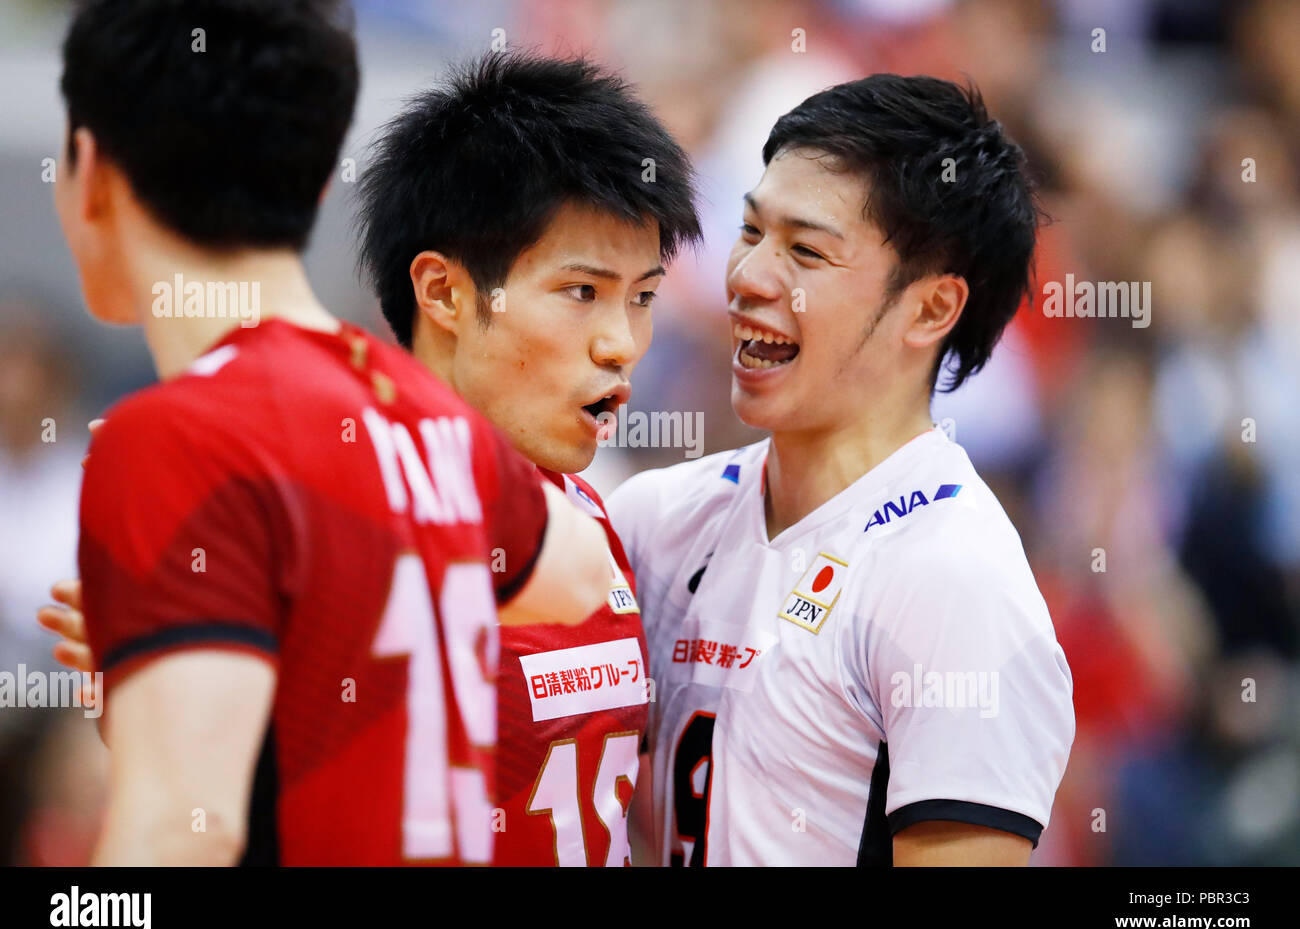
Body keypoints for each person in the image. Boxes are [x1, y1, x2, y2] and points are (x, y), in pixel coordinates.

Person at [49, 0, 609, 865]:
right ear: (314, 182)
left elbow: (176, 836)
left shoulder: (174, 433)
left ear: (91, 171)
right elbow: (577, 577)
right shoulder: (432, 420)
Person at [606, 74, 1076, 866]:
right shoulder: (652, 517)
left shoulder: (954, 581)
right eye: (751, 231)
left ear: (931, 309)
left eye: (806, 252)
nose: (750, 277)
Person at [355, 52, 700, 865]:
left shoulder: (585, 505)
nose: (622, 343)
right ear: (443, 293)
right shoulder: (351, 513)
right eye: (582, 291)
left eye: (643, 297)